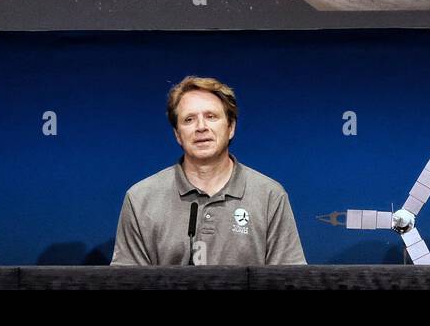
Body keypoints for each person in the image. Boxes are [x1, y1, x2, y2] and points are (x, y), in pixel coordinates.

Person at [111, 76, 305, 265]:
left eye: (211, 117)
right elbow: (125, 283)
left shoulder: (270, 196)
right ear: (177, 134)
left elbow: (289, 281)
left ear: (231, 127)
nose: (201, 127)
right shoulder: (140, 198)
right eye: (189, 120)